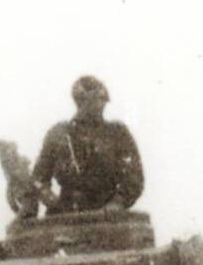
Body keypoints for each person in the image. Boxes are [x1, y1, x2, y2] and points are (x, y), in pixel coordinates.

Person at [27, 76, 144, 215]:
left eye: (103, 100)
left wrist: (118, 203)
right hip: (66, 217)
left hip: (107, 217)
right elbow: (39, 178)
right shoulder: (59, 134)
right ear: (80, 101)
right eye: (95, 100)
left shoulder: (117, 133)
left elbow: (134, 178)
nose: (101, 105)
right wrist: (53, 201)